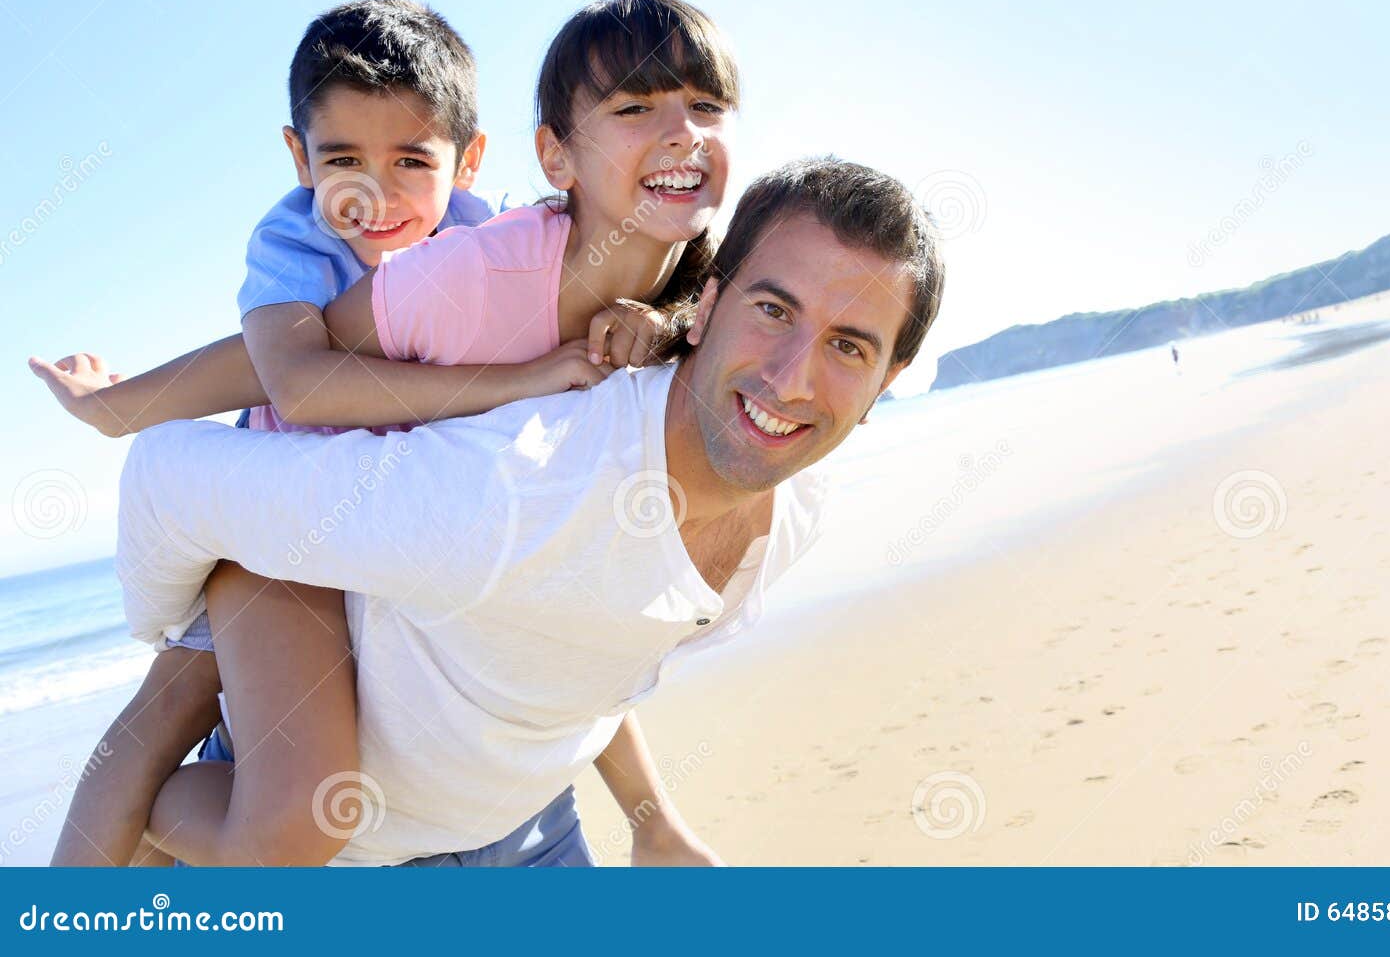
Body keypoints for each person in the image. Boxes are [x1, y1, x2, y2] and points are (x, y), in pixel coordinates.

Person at [37, 0, 731, 867]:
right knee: (172, 710)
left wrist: (654, 327)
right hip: (272, 524)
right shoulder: (294, 244)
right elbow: (292, 380)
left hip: (376, 522)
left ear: (470, 161)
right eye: (342, 160)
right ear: (298, 157)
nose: (375, 190)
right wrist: (116, 405)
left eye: (411, 159)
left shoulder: (486, 244)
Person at [115, 157, 945, 866]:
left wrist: (654, 823)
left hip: (534, 828)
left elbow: (593, 635)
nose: (794, 379)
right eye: (774, 310)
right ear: (710, 303)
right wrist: (181, 636)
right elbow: (168, 473)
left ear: (884, 383)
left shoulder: (795, 501)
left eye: (849, 346)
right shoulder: (510, 486)